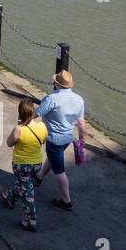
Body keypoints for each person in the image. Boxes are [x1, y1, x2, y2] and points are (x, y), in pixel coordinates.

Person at [36, 70, 86, 211]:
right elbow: (81, 122)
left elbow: (37, 113)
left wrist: (23, 122)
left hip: (54, 139)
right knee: (53, 159)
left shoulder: (51, 99)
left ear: (57, 84)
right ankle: (39, 177)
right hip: (68, 138)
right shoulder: (79, 99)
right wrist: (81, 139)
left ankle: (66, 201)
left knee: (59, 170)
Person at [2, 98, 46, 232]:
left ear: (20, 113)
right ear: (33, 112)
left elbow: (9, 143)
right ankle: (10, 198)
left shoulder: (18, 129)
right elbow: (43, 140)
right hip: (37, 163)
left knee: (28, 193)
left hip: (22, 165)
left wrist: (19, 128)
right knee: (24, 183)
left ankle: (31, 220)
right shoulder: (42, 126)